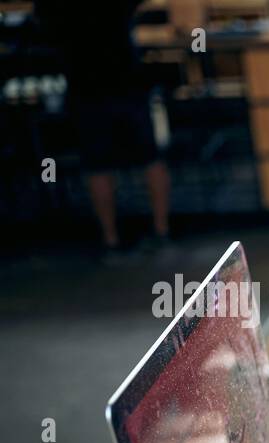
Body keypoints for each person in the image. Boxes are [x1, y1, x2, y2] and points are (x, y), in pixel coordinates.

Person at [35, 0, 172, 255]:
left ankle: (111, 239)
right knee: (150, 158)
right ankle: (161, 231)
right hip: (125, 81)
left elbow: (42, 26)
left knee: (98, 165)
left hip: (85, 87)